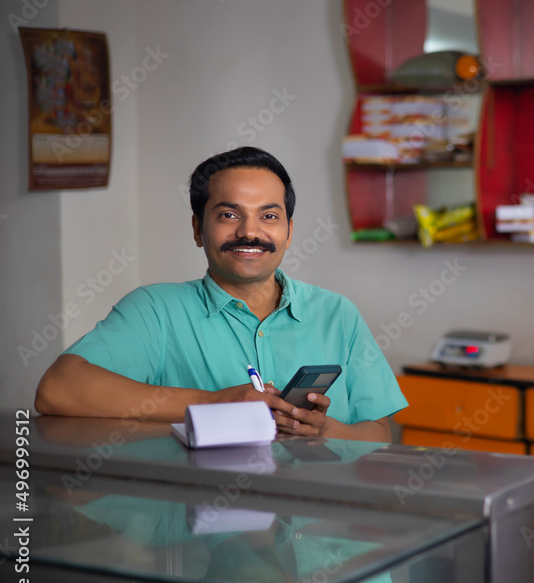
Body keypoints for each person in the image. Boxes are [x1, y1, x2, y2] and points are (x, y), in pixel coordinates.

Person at [35, 146, 405, 442]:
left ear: (289, 232)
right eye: (229, 215)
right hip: (199, 508)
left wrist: (327, 431)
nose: (250, 232)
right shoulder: (156, 311)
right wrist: (213, 402)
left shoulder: (337, 313)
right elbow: (56, 390)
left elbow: (379, 434)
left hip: (318, 512)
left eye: (269, 216)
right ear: (198, 229)